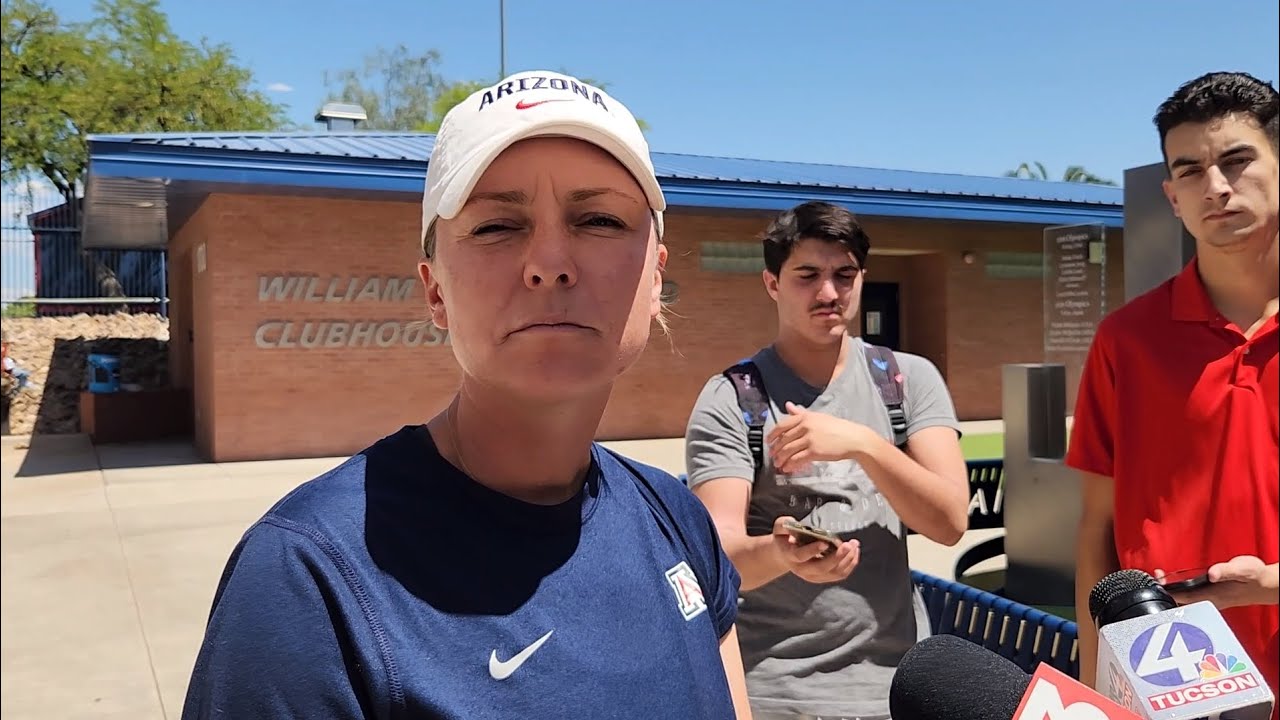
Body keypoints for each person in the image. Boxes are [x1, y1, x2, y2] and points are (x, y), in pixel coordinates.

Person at [181, 69, 753, 720]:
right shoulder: (307, 577)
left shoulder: (676, 519)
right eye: (495, 227)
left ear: (655, 280)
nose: (550, 261)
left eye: (598, 219)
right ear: (435, 291)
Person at [683, 200, 970, 720]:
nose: (828, 293)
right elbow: (715, 557)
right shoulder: (736, 397)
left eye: (844, 274)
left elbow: (949, 521)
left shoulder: (904, 381)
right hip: (777, 689)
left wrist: (865, 443)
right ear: (772, 283)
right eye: (807, 275)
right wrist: (781, 554)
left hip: (900, 685)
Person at [1067, 70, 1278, 707]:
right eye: (1190, 170)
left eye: (1237, 160)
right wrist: (1090, 686)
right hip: (1175, 690)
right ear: (1171, 194)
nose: (1215, 186)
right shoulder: (1126, 341)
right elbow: (1097, 529)